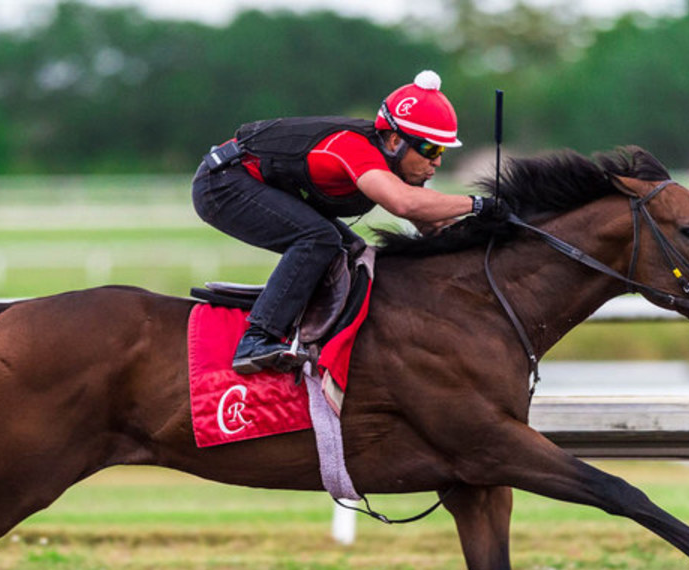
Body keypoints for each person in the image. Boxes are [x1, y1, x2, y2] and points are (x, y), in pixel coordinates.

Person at [193, 70, 492, 374]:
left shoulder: (399, 164)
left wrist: (490, 233)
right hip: (221, 185)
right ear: (393, 140)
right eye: (430, 149)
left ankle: (323, 338)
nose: (437, 161)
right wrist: (480, 203)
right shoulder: (354, 148)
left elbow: (433, 226)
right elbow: (403, 203)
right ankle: (257, 339)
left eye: (442, 150)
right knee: (319, 239)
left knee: (353, 250)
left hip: (261, 183)